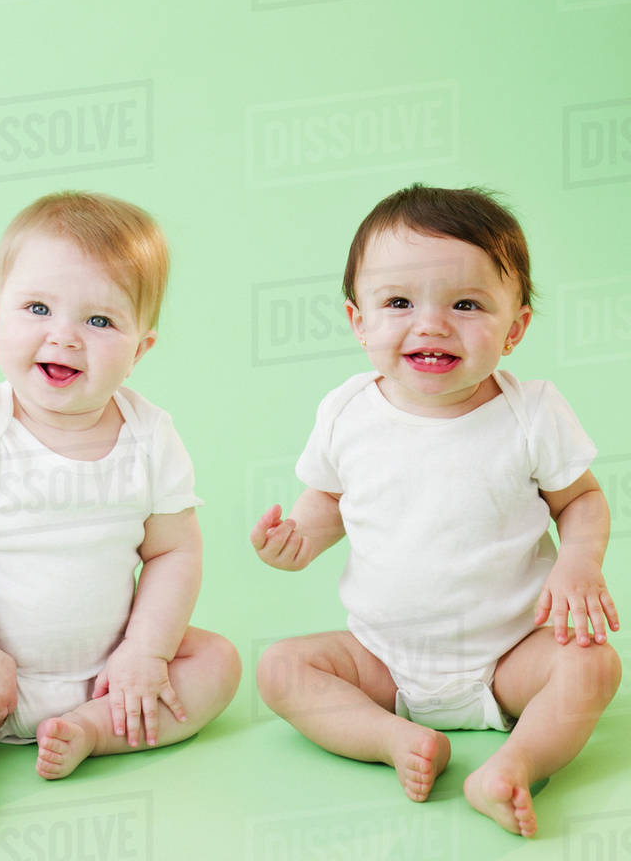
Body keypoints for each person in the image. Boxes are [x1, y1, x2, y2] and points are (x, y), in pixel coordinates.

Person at [0, 191, 239, 855]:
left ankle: (94, 730)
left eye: (99, 320)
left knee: (219, 662)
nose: (62, 335)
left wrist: (146, 653)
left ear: (142, 345)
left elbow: (175, 551)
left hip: (110, 675)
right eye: (37, 309)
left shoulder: (151, 437)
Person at [251, 183, 621, 838]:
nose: (431, 324)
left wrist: (579, 564)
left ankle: (513, 764)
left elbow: (583, 499)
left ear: (515, 329)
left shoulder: (530, 413)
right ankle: (389, 738)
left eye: (466, 304)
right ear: (357, 320)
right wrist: (298, 539)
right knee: (282, 669)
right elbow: (332, 503)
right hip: (382, 662)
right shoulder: (346, 412)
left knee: (594, 665)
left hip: (510, 658)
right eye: (398, 302)